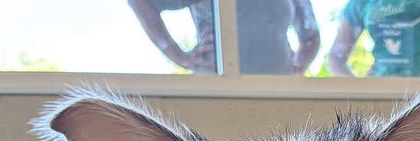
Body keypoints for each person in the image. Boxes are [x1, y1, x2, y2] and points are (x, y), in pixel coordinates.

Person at [128, 0, 320, 75]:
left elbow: (311, 35)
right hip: (217, 85)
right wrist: (178, 55)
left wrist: (298, 65)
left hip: (278, 85)